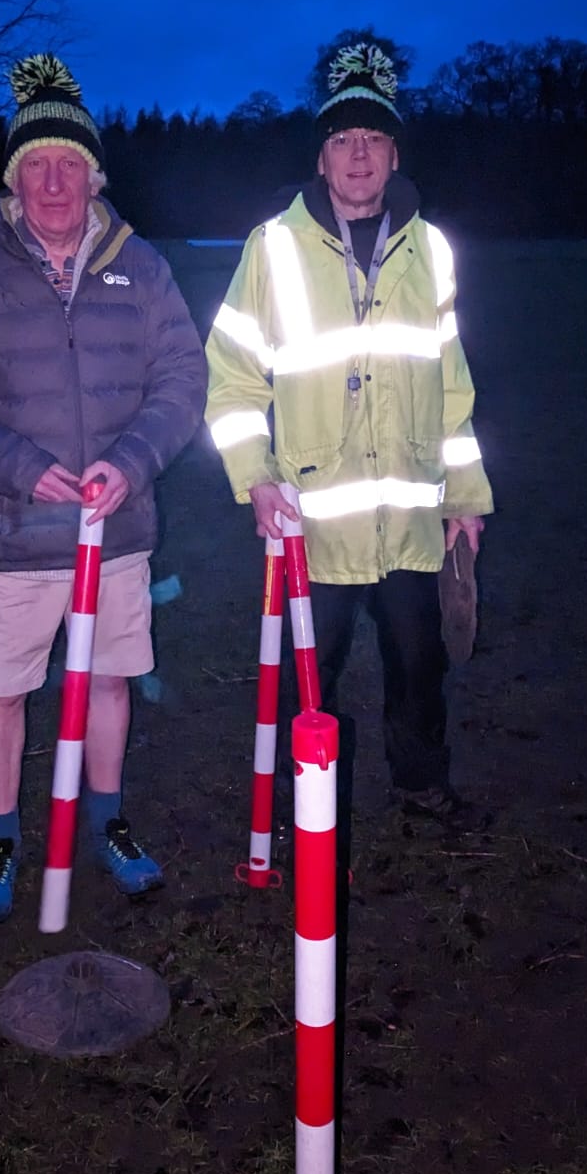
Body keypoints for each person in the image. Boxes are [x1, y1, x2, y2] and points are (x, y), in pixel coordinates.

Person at [0, 54, 207, 920]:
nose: (53, 181)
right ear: (12, 178)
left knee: (109, 682)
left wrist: (134, 459)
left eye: (69, 164)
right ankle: (1, 839)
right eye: (35, 165)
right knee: (3, 692)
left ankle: (107, 821)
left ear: (95, 174)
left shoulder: (140, 267)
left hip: (116, 530)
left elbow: (182, 380)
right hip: (12, 533)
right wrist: (20, 468)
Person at [205, 42, 493, 818]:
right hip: (312, 523)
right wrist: (256, 477)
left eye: (372, 139)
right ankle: (305, 809)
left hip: (407, 518)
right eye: (342, 139)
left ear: (394, 153)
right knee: (309, 678)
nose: (358, 154)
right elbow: (231, 380)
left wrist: (464, 494)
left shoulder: (432, 250)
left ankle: (422, 785)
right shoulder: (273, 247)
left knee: (419, 660)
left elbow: (452, 385)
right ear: (322, 158)